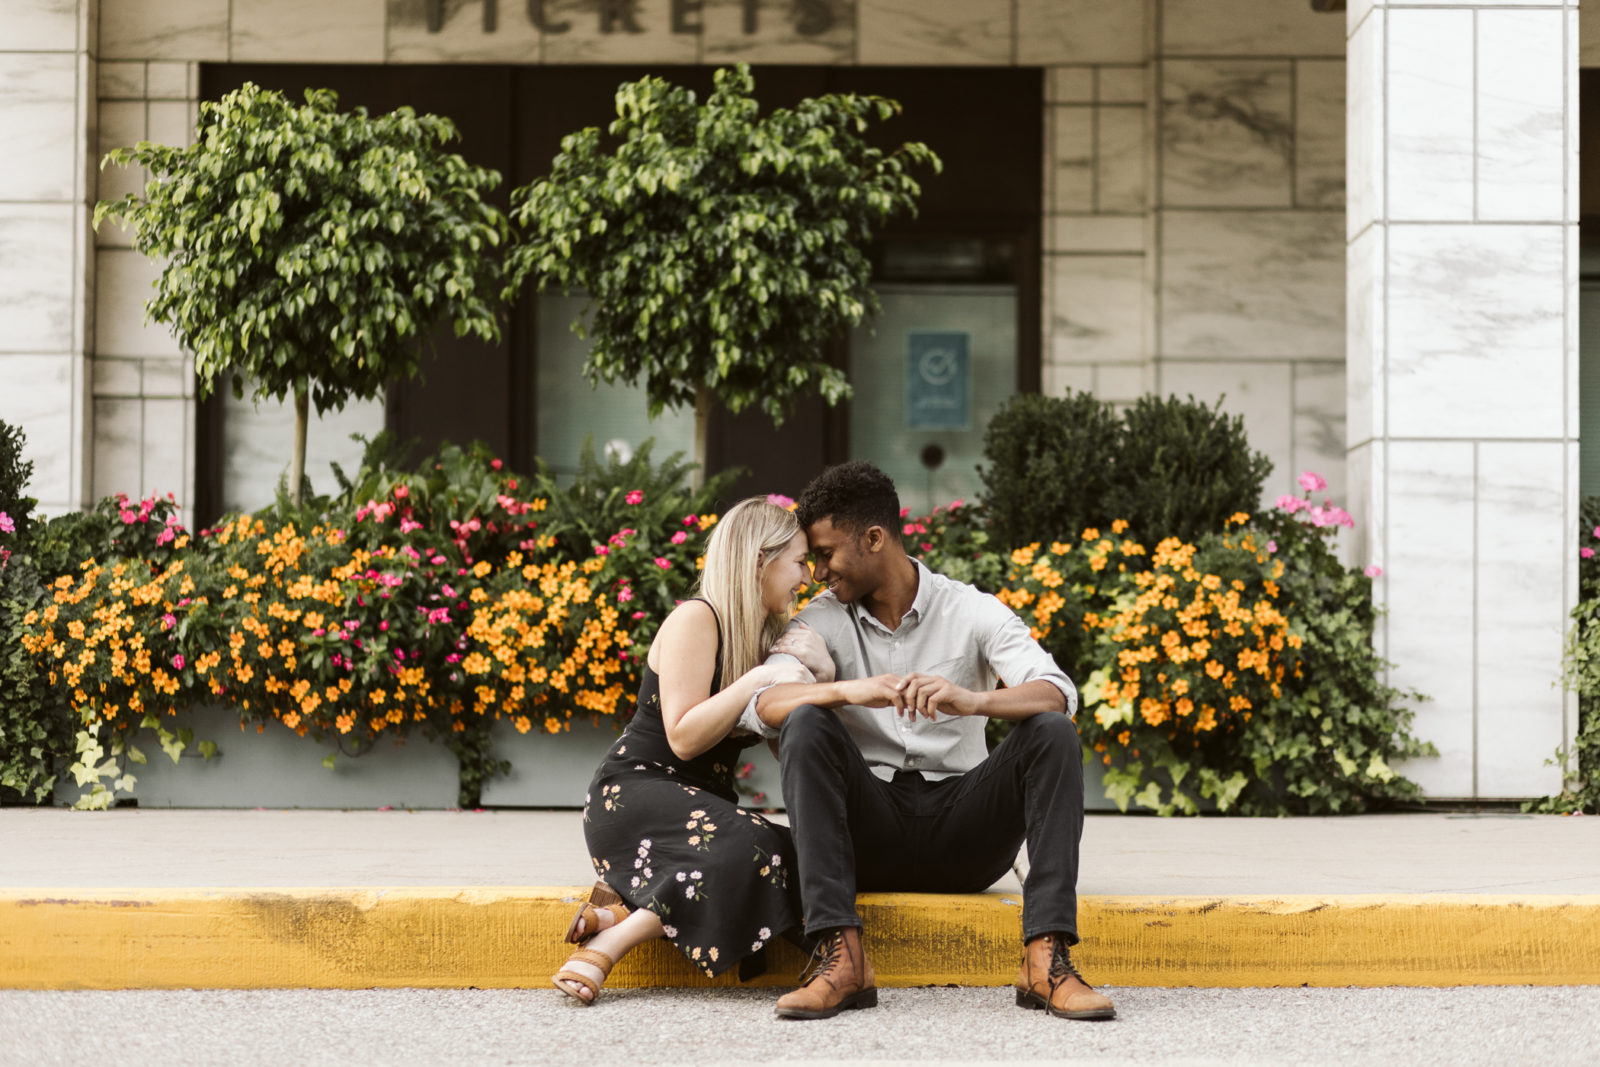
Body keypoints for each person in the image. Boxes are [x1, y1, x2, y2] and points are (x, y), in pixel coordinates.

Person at [743, 460, 1115, 1022]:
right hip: (869, 832)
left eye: (826, 553)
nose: (817, 571)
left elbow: (1058, 692)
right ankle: (842, 962)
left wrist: (975, 700)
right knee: (805, 720)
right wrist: (849, 690)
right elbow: (764, 705)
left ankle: (1046, 961)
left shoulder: (972, 610)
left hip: (964, 832)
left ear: (874, 539)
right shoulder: (820, 621)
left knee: (1052, 732)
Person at [553, 497, 823, 1005]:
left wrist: (821, 675)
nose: (805, 577)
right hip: (637, 795)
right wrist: (761, 678)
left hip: (705, 816)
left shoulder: (760, 636)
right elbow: (682, 735)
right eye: (799, 561)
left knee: (796, 851)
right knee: (752, 847)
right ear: (760, 560)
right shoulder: (697, 619)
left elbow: (783, 747)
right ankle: (612, 941)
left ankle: (620, 910)